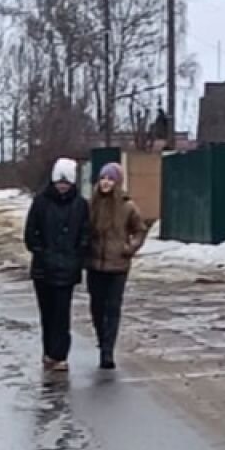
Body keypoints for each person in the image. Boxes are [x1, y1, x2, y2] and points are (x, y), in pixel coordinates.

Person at [24, 158, 90, 373]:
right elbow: (30, 233)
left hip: (67, 269)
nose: (62, 185)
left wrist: (77, 255)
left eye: (66, 181)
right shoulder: (41, 202)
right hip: (44, 269)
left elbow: (85, 234)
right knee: (48, 313)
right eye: (59, 181)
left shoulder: (80, 205)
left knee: (62, 314)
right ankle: (49, 353)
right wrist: (42, 253)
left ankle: (60, 355)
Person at [86, 162, 146, 371]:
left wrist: (129, 248)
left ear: (117, 182)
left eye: (110, 179)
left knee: (112, 308)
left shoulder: (127, 207)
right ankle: (102, 339)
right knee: (96, 308)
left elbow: (139, 230)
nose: (106, 182)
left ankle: (107, 352)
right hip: (94, 265)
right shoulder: (91, 204)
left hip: (118, 266)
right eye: (103, 178)